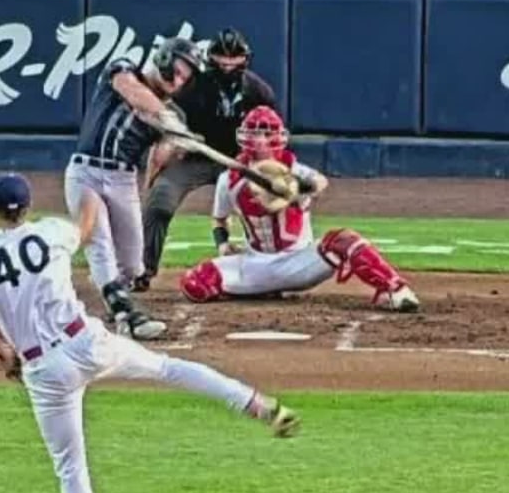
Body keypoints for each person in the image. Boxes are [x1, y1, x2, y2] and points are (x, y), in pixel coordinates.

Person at [0, 173, 300, 493]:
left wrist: (5, 355)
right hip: (86, 342)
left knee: (70, 466)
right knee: (168, 368)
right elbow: (86, 226)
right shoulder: (51, 232)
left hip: (44, 370)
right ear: (27, 207)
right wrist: (91, 194)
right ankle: (258, 404)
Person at [177, 106, 421, 312]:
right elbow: (219, 219)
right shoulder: (229, 180)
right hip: (256, 264)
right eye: (254, 133)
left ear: (278, 137)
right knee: (195, 284)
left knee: (345, 240)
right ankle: (263, 290)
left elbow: (321, 183)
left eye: (266, 133)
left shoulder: (294, 169)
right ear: (244, 137)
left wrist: (297, 187)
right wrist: (223, 244)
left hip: (300, 261)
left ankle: (395, 289)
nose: (260, 140)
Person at [64, 39, 207, 340]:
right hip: (85, 172)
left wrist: (180, 143)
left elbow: (158, 157)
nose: (178, 81)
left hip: (123, 179)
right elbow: (133, 92)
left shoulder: (174, 115)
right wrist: (164, 117)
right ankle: (126, 315)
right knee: (100, 241)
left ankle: (114, 298)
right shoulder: (123, 69)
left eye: (185, 78)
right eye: (177, 72)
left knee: (131, 265)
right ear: (164, 60)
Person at [138, 29, 276, 292]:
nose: (227, 65)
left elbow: (273, 140)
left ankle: (270, 270)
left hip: (241, 161)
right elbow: (165, 139)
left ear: (245, 59)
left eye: (233, 59)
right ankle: (143, 268)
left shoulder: (259, 92)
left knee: (265, 206)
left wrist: (262, 170)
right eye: (222, 59)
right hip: (196, 157)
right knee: (160, 201)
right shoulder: (190, 88)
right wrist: (152, 180)